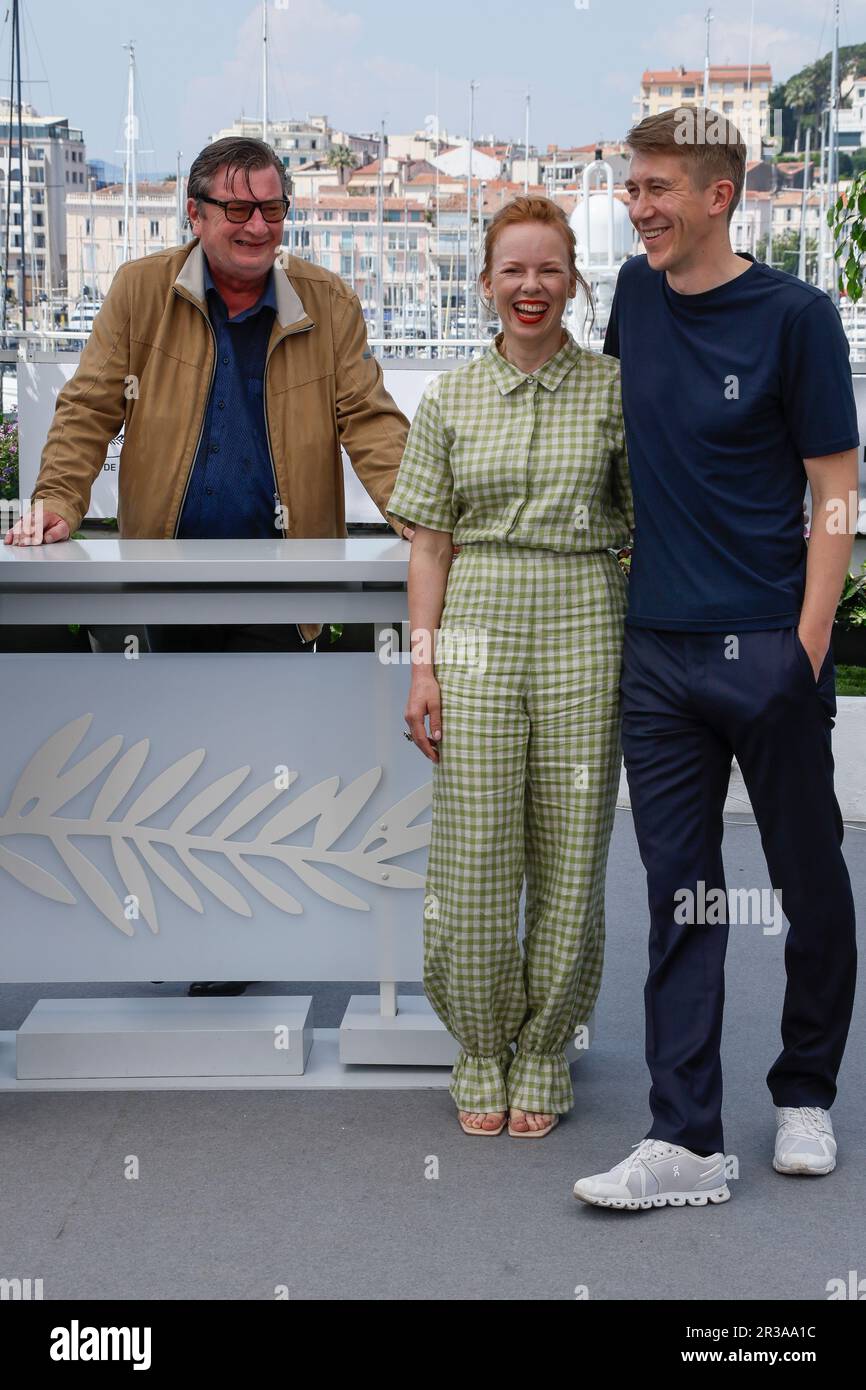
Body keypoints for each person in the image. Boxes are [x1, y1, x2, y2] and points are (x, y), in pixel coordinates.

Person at [5, 135, 412, 995]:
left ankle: (236, 955)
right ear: (196, 214)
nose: (258, 226)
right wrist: (55, 502)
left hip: (283, 581)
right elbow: (86, 408)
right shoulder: (141, 291)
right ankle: (184, 942)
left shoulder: (326, 302)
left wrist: (418, 508)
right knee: (167, 763)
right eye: (239, 208)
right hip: (166, 577)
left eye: (272, 208)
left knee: (264, 761)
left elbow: (370, 419)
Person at [573, 109, 859, 1211]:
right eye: (629, 187)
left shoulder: (795, 316)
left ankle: (803, 1091)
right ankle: (682, 1135)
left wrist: (803, 646)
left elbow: (834, 491)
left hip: (767, 651)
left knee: (805, 879)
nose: (635, 206)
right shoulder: (635, 298)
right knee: (677, 896)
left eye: (653, 188)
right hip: (656, 655)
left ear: (715, 196)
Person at [387, 196, 633, 1137]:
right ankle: (481, 1044)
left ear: (574, 280)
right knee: (476, 846)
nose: (532, 288)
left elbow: (649, 525)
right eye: (514, 271)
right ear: (485, 282)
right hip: (479, 619)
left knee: (574, 848)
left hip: (584, 618)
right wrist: (424, 668)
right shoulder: (448, 396)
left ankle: (544, 1049)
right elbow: (430, 545)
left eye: (550, 270)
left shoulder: (614, 390)